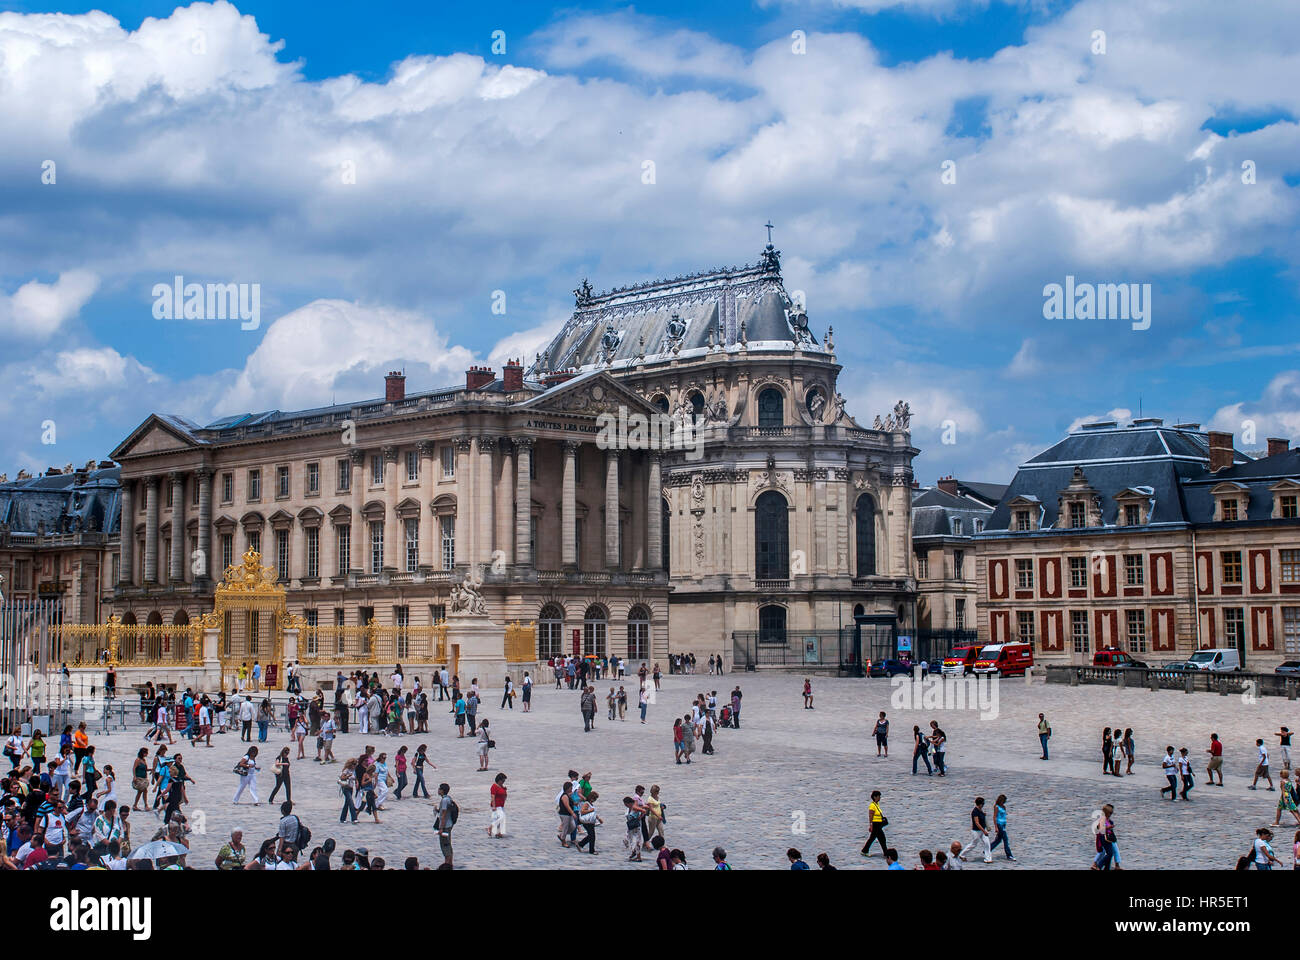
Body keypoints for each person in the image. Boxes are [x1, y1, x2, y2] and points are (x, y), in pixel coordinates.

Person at [964, 796, 993, 863]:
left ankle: (988, 859)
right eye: (983, 804)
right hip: (976, 831)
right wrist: (984, 831)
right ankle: (962, 855)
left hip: (982, 830)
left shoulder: (980, 810)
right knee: (973, 844)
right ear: (980, 804)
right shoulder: (975, 812)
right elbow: (977, 823)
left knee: (987, 843)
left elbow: (982, 818)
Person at [861, 790, 887, 857]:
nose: (880, 798)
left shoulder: (877, 804)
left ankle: (865, 851)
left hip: (879, 824)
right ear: (875, 797)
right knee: (877, 838)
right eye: (878, 796)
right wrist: (871, 825)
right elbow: (870, 816)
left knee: (881, 838)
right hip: (875, 824)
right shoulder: (872, 806)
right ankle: (864, 851)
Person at [990, 794, 1015, 861]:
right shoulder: (996, 807)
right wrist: (996, 827)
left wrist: (1005, 825)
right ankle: (1009, 855)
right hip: (999, 824)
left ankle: (988, 849)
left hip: (1003, 824)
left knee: (998, 840)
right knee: (1005, 839)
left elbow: (1004, 816)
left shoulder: (1004, 807)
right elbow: (994, 817)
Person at [436, 782, 455, 868]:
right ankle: (450, 864)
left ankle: (447, 864)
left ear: (442, 791)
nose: (438, 790)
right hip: (449, 824)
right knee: (448, 845)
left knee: (445, 846)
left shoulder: (444, 800)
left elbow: (443, 815)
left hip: (445, 826)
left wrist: (441, 828)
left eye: (439, 789)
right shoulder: (449, 798)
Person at [488, 772, 507, 838]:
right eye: (503, 780)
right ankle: (491, 827)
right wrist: (493, 806)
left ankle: (498, 833)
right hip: (496, 805)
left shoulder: (502, 787)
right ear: (499, 780)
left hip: (501, 805)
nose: (503, 782)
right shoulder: (494, 786)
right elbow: (493, 797)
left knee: (499, 820)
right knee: (501, 818)